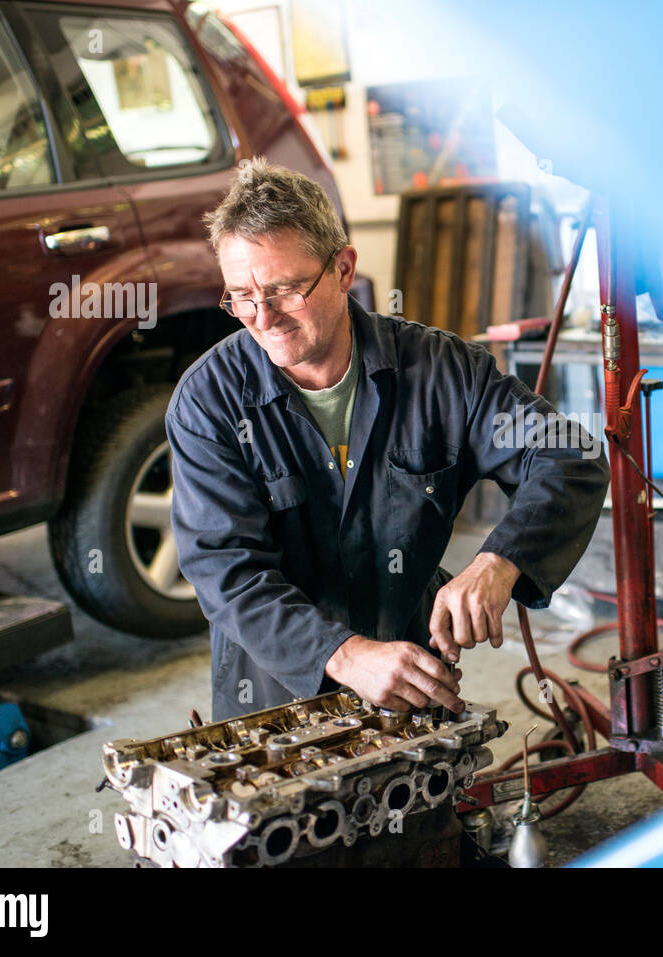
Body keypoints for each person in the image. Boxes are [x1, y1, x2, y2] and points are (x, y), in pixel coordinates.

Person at [167, 158, 609, 721]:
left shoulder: (443, 373)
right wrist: (343, 654)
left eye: (284, 290)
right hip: (275, 701)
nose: (264, 318)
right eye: (241, 296)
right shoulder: (209, 401)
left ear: (344, 268)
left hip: (416, 682)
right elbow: (226, 569)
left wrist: (500, 560)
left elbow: (570, 455)